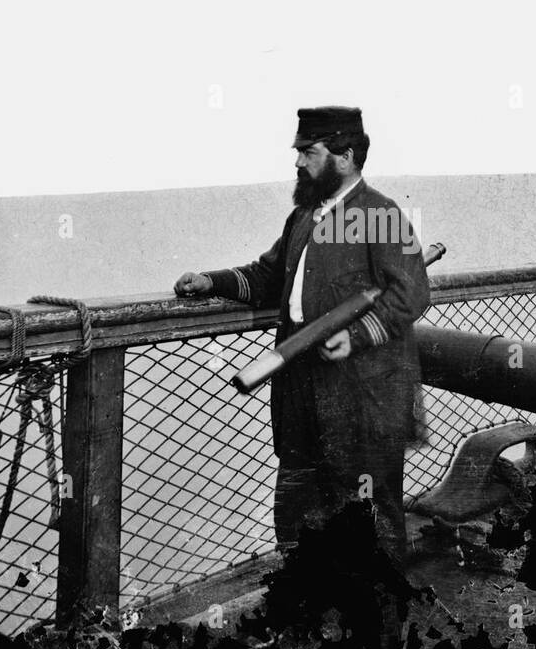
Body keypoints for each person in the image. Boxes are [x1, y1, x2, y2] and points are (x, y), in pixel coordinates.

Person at [174, 106, 430, 569]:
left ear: (345, 156)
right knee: (298, 505)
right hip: (300, 389)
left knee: (372, 513)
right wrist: (213, 281)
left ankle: (381, 620)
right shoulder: (305, 217)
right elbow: (269, 277)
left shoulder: (383, 215)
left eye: (307, 153)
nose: (297, 163)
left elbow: (412, 292)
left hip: (364, 395)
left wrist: (357, 335)